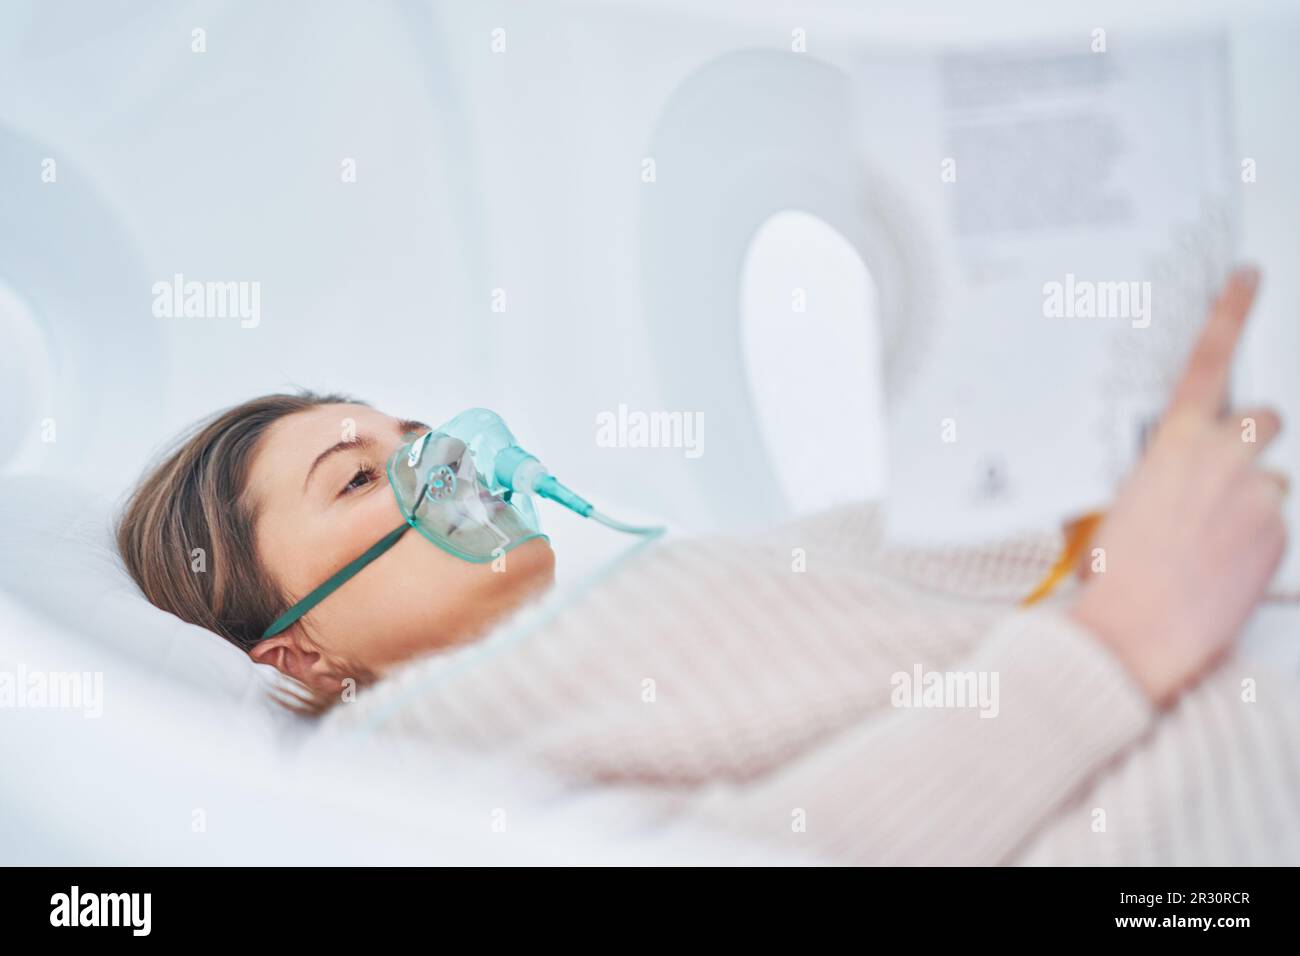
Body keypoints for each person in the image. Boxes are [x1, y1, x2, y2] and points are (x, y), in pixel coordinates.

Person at [117, 268, 1300, 863]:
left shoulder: (609, 605)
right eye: (361, 478)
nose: (440, 458)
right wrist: (1119, 641)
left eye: (410, 432)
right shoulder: (396, 779)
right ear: (300, 649)